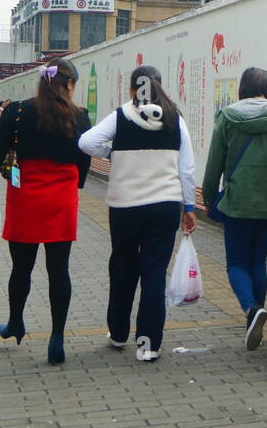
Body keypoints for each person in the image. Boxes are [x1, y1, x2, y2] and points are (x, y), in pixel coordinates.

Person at [0, 58, 91, 365]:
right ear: (70, 84)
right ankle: (57, 338)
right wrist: (77, 186)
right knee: (59, 269)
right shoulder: (79, 116)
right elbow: (84, 157)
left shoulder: (17, 112)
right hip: (62, 198)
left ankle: (15, 322)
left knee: (21, 267)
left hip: (26, 198)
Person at [79, 66, 197, 363]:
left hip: (125, 207)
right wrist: (190, 208)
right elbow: (187, 169)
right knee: (154, 273)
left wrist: (113, 152)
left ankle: (118, 334)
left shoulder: (120, 116)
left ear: (132, 89)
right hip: (165, 206)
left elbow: (86, 143)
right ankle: (148, 346)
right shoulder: (175, 119)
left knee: (122, 268)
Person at [201, 67, 267, 351]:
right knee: (257, 261)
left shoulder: (227, 118)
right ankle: (256, 312)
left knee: (236, 262)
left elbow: (215, 163)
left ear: (242, 90)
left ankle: (251, 311)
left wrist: (209, 195)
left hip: (237, 203)